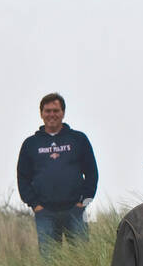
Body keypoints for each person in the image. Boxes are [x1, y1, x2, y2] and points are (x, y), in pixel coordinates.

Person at [16, 93, 98, 254]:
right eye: (47, 111)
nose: (51, 115)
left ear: (63, 113)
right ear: (41, 114)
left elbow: (92, 173)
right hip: (45, 212)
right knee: (50, 263)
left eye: (56, 110)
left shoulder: (78, 139)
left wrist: (84, 202)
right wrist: (35, 205)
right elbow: (23, 177)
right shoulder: (30, 144)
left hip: (76, 210)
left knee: (82, 260)